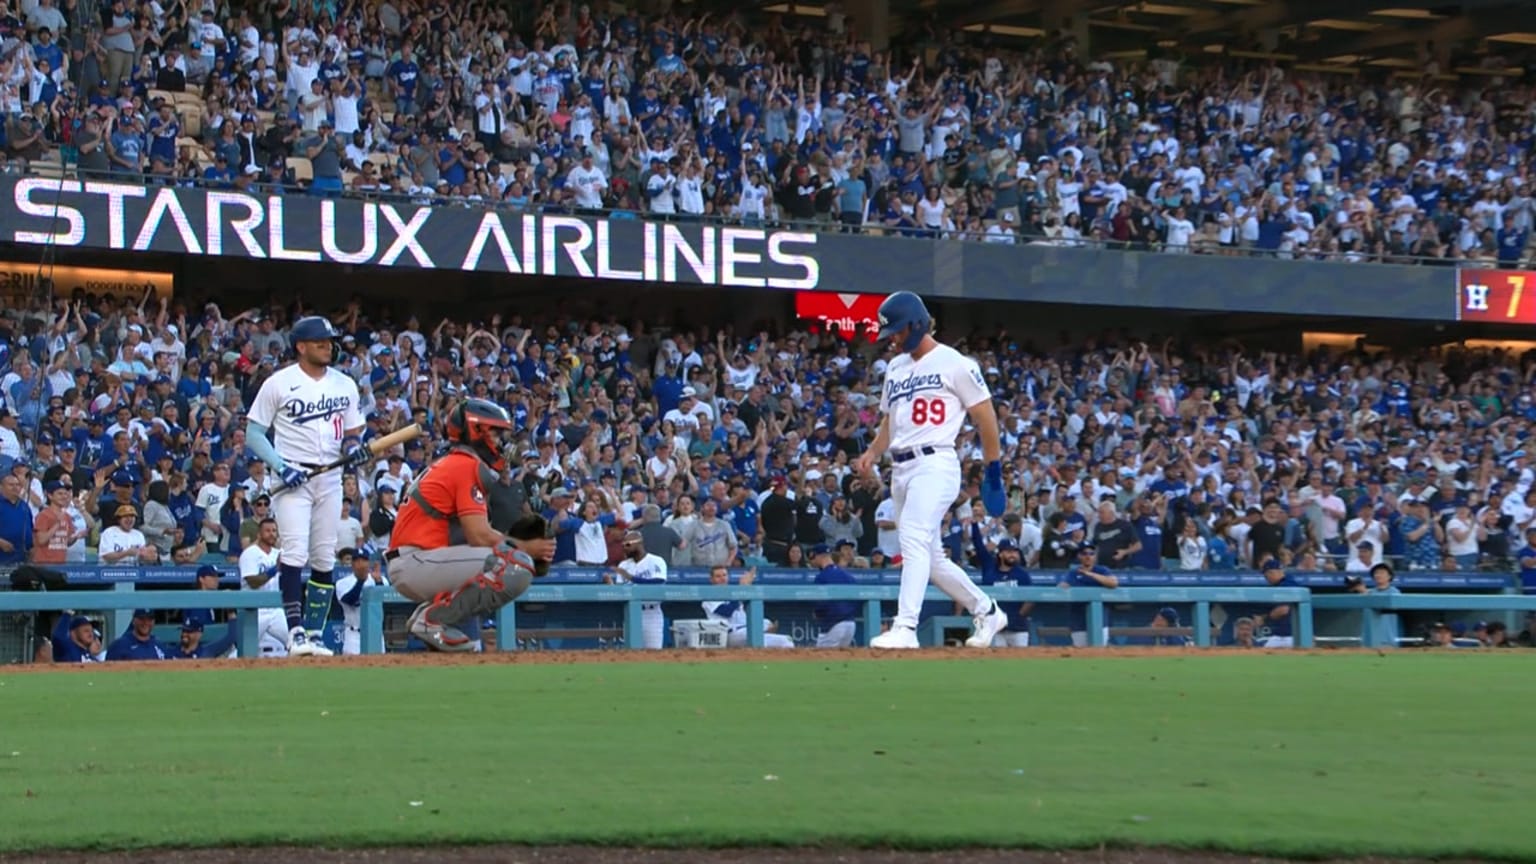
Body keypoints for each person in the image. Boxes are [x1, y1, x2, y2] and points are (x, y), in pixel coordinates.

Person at [853, 291, 1008, 649]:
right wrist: (874, 453)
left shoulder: (955, 362)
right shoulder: (895, 367)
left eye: (895, 331)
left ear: (916, 324)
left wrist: (994, 470)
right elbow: (890, 420)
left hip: (936, 462)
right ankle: (987, 610)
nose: (890, 338)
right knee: (933, 560)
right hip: (902, 468)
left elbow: (986, 419)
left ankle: (905, 628)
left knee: (912, 537)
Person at [386, 399, 555, 652]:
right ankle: (432, 620)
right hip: (417, 560)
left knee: (504, 558)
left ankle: (430, 616)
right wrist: (526, 547)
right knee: (515, 563)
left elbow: (468, 536)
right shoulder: (466, 465)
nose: (500, 441)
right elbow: (478, 535)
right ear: (476, 431)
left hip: (417, 560)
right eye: (495, 432)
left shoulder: (452, 462)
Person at [245, 316, 367, 658]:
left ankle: (314, 633)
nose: (328, 346)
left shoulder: (344, 384)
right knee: (295, 553)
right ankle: (295, 632)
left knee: (324, 556)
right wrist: (282, 467)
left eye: (329, 341)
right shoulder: (279, 382)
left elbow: (352, 433)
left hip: (329, 477)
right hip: (292, 477)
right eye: (320, 342)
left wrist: (352, 449)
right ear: (300, 346)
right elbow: (254, 434)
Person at [703, 563, 794, 649]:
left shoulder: (733, 592)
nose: (722, 578)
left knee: (786, 639)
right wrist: (741, 589)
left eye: (724, 575)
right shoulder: (709, 597)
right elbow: (727, 612)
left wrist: (744, 588)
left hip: (746, 628)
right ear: (711, 579)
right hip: (731, 634)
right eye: (718, 576)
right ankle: (759, 644)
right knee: (762, 641)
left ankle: (762, 637)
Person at [969, 526, 1033, 647]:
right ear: (1000, 554)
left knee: (1021, 660)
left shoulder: (1022, 574)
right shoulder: (990, 569)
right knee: (995, 660)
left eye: (1015, 552)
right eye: (1009, 552)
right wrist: (974, 524)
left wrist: (1017, 617)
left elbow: (1030, 598)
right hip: (994, 628)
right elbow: (979, 545)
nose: (1012, 555)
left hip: (1018, 628)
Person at [606, 530, 668, 649]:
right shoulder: (623, 565)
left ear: (639, 543)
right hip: (630, 613)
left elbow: (658, 582)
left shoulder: (656, 560)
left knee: (653, 653)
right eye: (623, 545)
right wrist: (611, 586)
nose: (625, 548)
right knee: (632, 653)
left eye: (628, 545)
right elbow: (621, 592)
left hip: (651, 613)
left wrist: (631, 577)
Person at [238, 517, 289, 657]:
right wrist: (275, 569)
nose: (272, 534)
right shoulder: (249, 554)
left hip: (275, 609)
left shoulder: (278, 554)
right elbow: (253, 582)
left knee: (293, 641)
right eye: (267, 531)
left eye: (274, 531)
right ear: (259, 534)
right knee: (242, 650)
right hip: (255, 611)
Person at [1059, 544, 1120, 647]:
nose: (1088, 556)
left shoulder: (1102, 570)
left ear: (1095, 556)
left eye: (1091, 554)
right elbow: (1062, 587)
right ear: (1079, 556)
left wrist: (1090, 574)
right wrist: (1062, 586)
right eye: (1084, 554)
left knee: (1099, 652)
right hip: (1078, 621)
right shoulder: (1073, 573)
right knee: (1081, 653)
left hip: (1100, 621)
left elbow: (1113, 583)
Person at [335, 546, 387, 655]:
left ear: (368, 563)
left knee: (380, 669)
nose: (360, 564)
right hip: (354, 636)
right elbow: (350, 601)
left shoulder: (379, 579)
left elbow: (385, 601)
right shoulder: (342, 582)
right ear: (352, 564)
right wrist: (361, 581)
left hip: (375, 633)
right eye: (357, 560)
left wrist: (378, 582)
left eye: (364, 560)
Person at [809, 543, 858, 648]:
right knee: (840, 660)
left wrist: (817, 613)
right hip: (850, 624)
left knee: (820, 659)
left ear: (819, 556)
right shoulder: (847, 575)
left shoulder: (821, 577)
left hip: (833, 625)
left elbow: (821, 605)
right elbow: (856, 600)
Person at [1253, 557, 1301, 649]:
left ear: (1272, 572)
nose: (1266, 579)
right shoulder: (1288, 582)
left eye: (1266, 576)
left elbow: (1283, 609)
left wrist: (1264, 618)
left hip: (1289, 636)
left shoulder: (1287, 584)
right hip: (1287, 635)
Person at [105, 609, 173, 661]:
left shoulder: (160, 646)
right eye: (142, 619)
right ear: (134, 620)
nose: (146, 623)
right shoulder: (119, 646)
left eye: (149, 619)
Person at [170, 617, 237, 659]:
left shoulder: (206, 652)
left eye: (189, 631)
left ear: (199, 634)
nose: (184, 634)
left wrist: (231, 612)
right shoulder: (171, 652)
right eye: (183, 631)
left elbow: (231, 638)